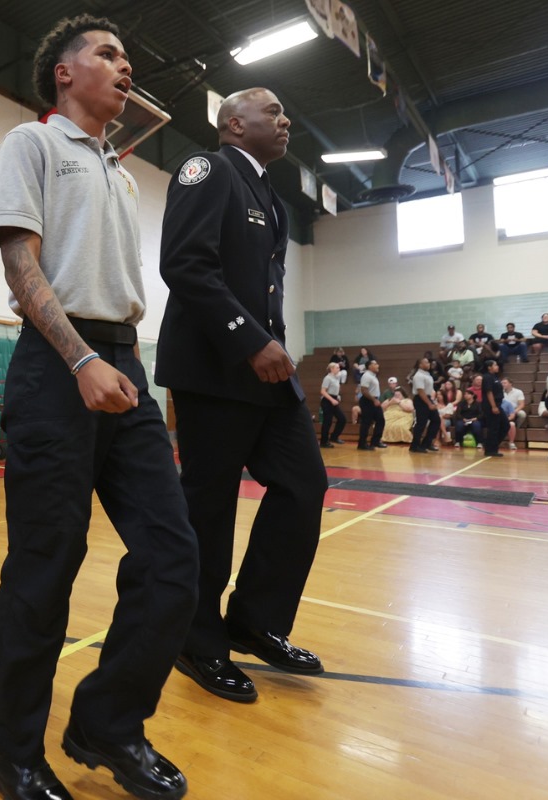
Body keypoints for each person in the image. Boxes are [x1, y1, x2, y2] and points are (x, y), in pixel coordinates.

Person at [0, 16, 197, 800]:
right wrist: (78, 358)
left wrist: (113, 362)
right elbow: (18, 261)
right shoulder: (30, 144)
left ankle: (105, 723)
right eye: (107, 54)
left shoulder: (121, 170)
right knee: (46, 567)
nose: (124, 65)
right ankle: (8, 752)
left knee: (174, 560)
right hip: (57, 363)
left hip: (124, 364)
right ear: (63, 73)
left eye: (128, 56)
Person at [159, 83, 328, 708]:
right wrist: (249, 339)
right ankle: (197, 640)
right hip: (215, 369)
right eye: (273, 112)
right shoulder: (209, 170)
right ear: (234, 122)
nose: (286, 121)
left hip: (264, 372)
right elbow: (184, 264)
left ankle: (254, 622)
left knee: (304, 485)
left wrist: (269, 351)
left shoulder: (267, 191)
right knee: (209, 509)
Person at [410, 356, 439, 453]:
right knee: (421, 423)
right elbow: (421, 391)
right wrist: (429, 404)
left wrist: (432, 400)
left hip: (427, 398)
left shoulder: (427, 374)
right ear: (420, 365)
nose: (428, 364)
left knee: (436, 420)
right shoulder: (418, 376)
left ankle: (426, 443)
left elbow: (428, 390)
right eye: (426, 362)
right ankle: (414, 446)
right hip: (421, 399)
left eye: (428, 362)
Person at [357, 359, 386, 450]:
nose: (378, 365)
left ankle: (375, 441)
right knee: (366, 423)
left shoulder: (373, 376)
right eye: (375, 364)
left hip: (374, 400)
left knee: (380, 420)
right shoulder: (366, 376)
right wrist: (374, 400)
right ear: (369, 366)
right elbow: (364, 390)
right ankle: (362, 444)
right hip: (368, 401)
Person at [479, 359, 506, 456]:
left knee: (505, 425)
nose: (497, 366)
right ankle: (490, 450)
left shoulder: (495, 376)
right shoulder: (487, 377)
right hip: (491, 405)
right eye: (495, 365)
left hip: (498, 403)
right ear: (489, 367)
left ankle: (491, 445)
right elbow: (489, 392)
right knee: (493, 427)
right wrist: (493, 406)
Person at [318, 362, 345, 447]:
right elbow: (323, 391)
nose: (339, 369)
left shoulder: (336, 378)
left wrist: (337, 396)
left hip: (333, 399)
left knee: (342, 419)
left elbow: (334, 390)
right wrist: (332, 400)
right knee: (327, 422)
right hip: (327, 401)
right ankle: (324, 441)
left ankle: (334, 437)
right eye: (337, 367)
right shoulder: (327, 378)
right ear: (331, 369)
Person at [501, 377, 527, 450]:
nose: (503, 384)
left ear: (510, 383)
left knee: (522, 414)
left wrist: (514, 411)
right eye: (502, 383)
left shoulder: (518, 392)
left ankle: (516, 427)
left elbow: (522, 404)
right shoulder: (500, 392)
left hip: (515, 409)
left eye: (504, 383)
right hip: (503, 410)